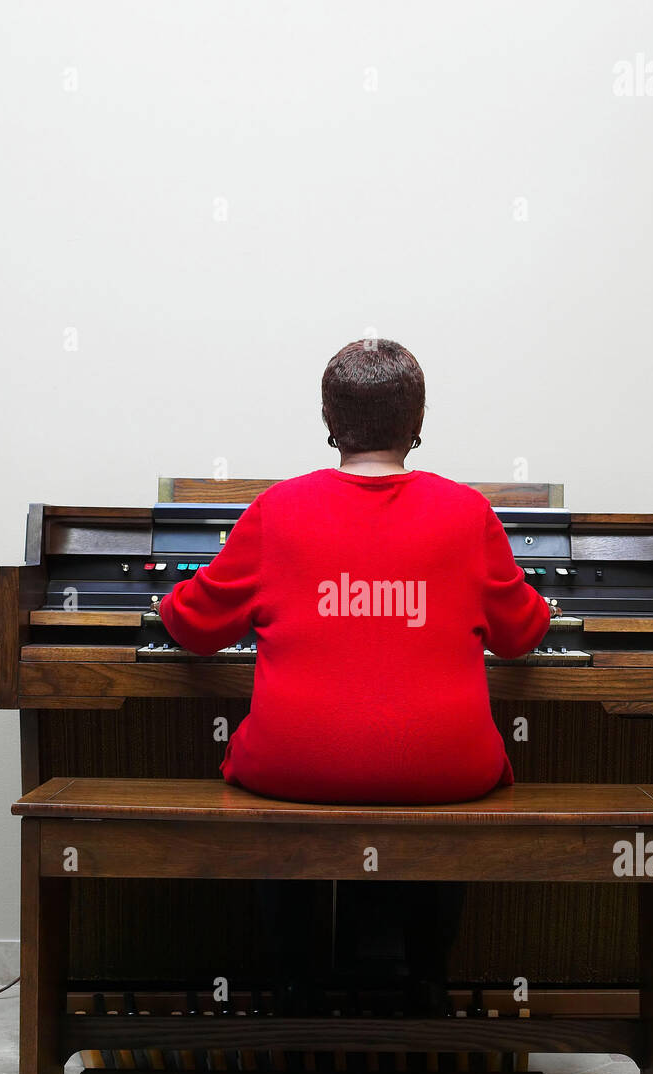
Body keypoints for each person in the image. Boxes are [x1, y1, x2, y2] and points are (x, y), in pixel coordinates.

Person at [157, 339, 553, 999]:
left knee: (275, 780)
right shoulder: (467, 513)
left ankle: (296, 993)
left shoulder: (276, 510)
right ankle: (423, 990)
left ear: (327, 420)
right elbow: (523, 636)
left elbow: (190, 627)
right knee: (440, 781)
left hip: (292, 769)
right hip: (445, 772)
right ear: (416, 423)